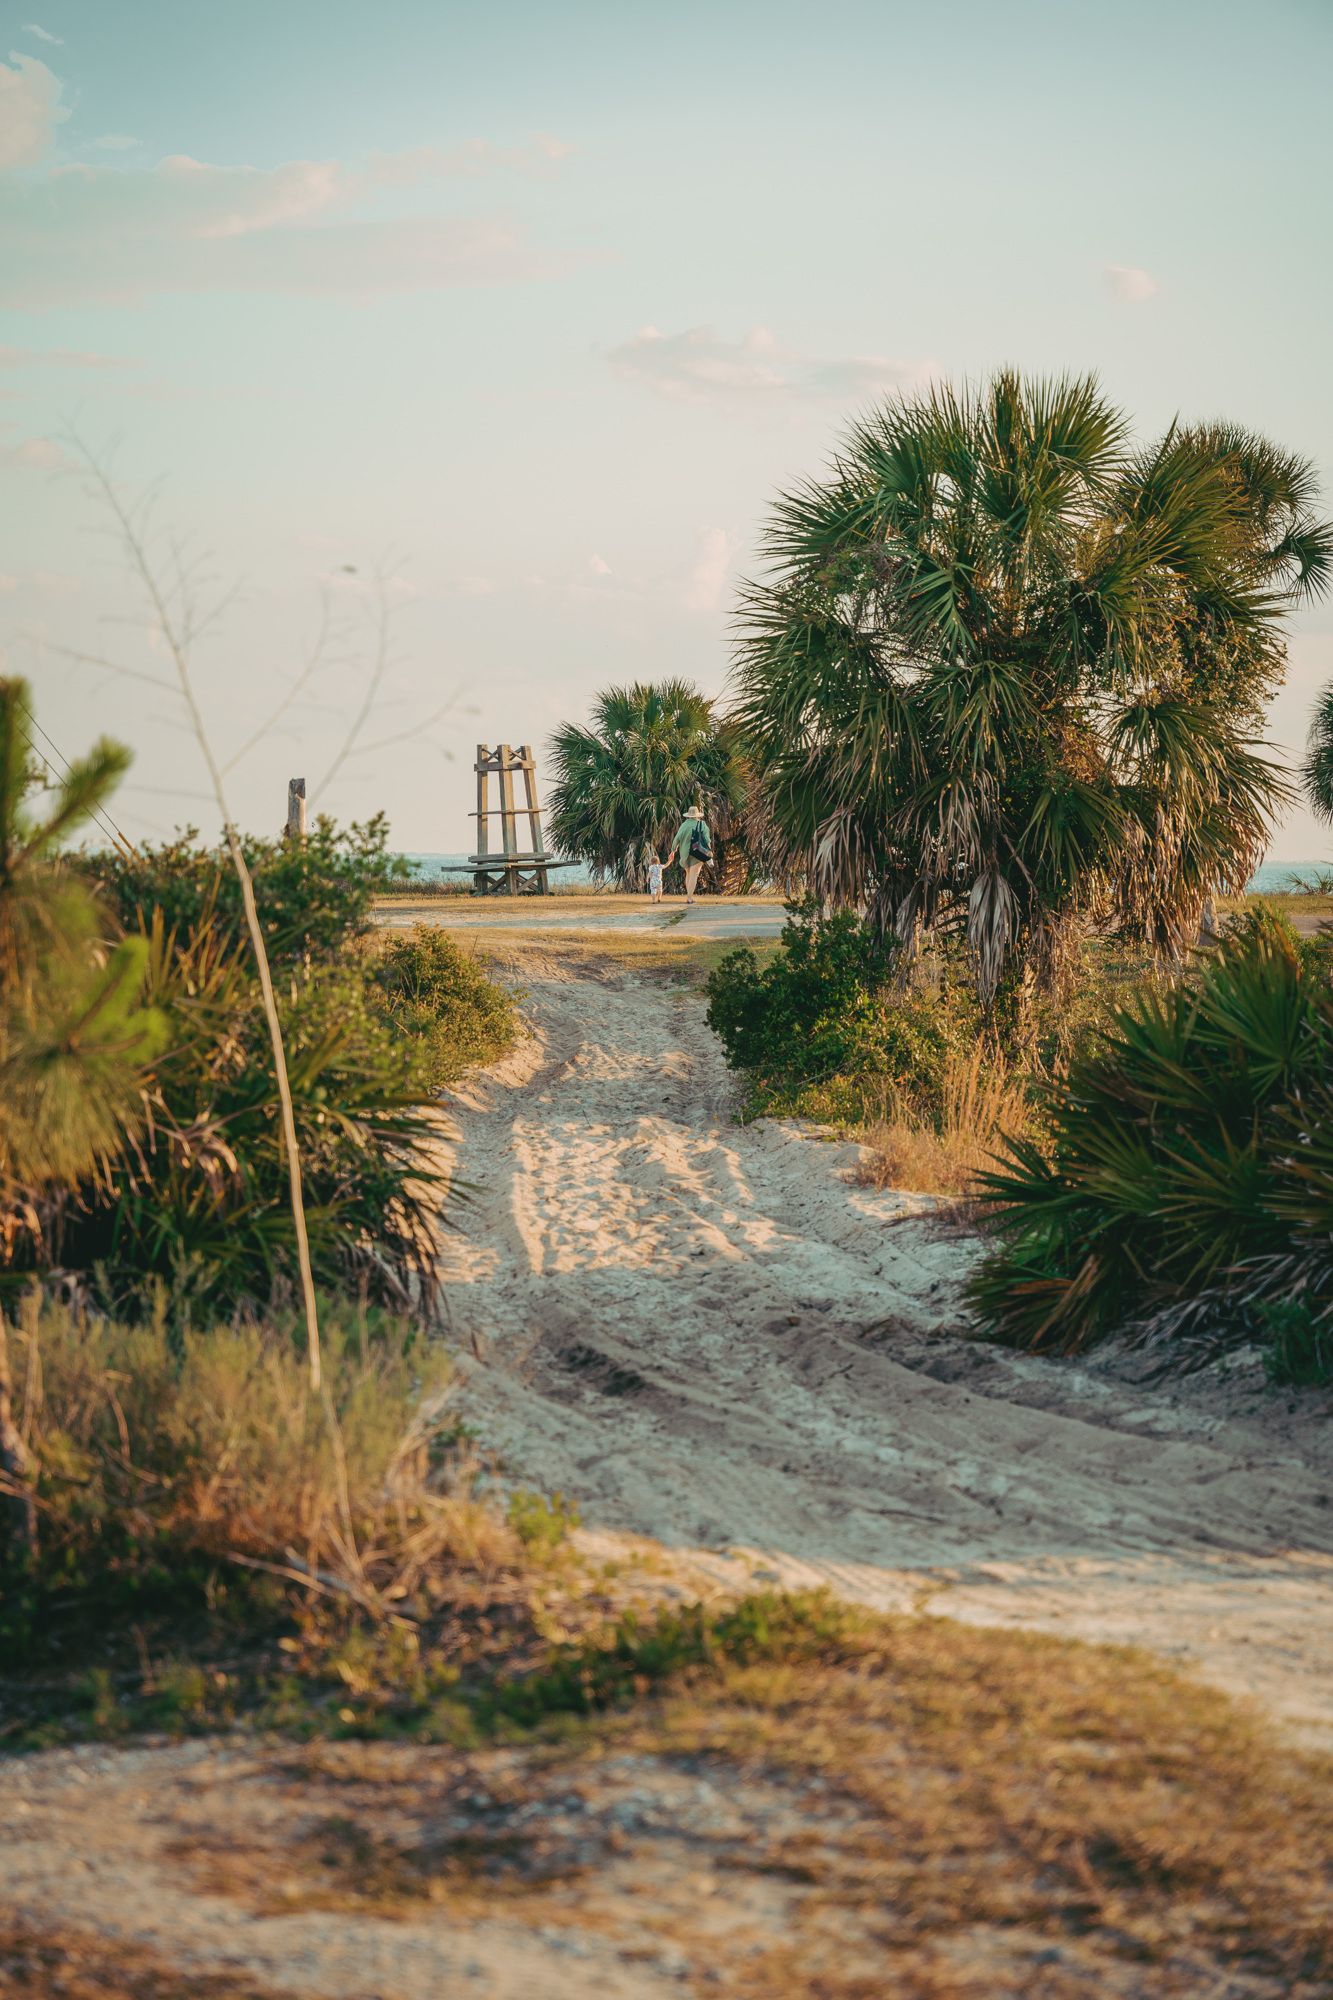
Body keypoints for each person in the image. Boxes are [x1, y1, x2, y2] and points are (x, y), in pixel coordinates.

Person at [671, 797, 712, 905]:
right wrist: (709, 852)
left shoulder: (683, 825)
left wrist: (673, 850)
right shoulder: (702, 825)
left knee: (688, 873)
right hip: (697, 852)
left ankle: (689, 896)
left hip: (684, 853)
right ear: (697, 815)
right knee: (694, 874)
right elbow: (707, 840)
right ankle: (689, 898)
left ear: (688, 815)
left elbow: (676, 839)